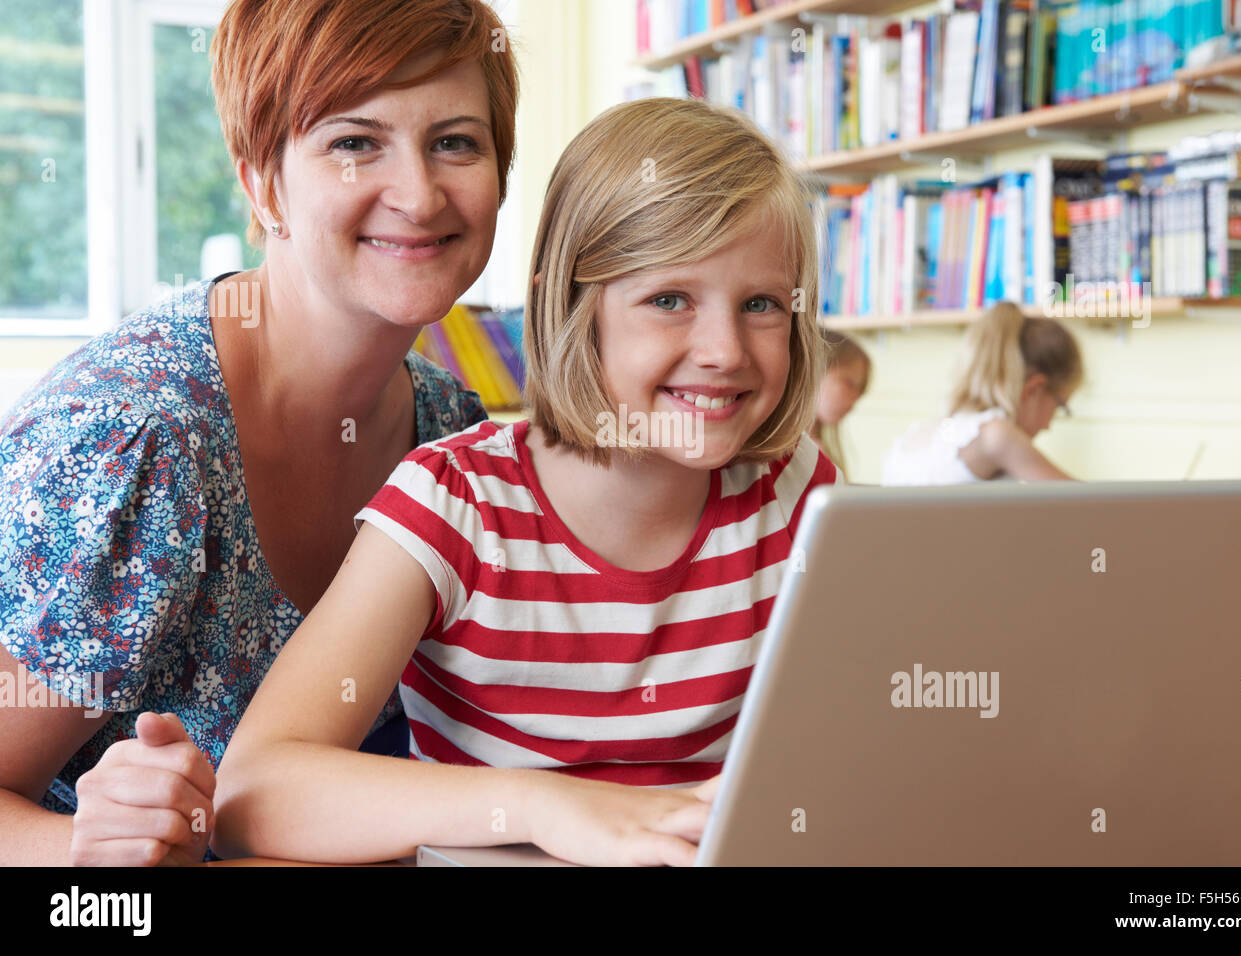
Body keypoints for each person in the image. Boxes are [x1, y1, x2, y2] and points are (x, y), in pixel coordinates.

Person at [212, 97, 841, 867]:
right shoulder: (453, 504)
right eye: (669, 300)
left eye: (762, 305)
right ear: (563, 303)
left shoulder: (799, 495)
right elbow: (255, 791)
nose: (723, 349)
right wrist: (545, 803)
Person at [0, 0, 519, 865]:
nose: (420, 193)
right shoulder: (135, 443)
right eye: (355, 142)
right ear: (261, 181)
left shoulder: (452, 430)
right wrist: (87, 853)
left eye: (456, 143)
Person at [880, 302, 1082, 485]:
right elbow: (1091, 507)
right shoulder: (996, 436)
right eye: (1059, 406)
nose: (1048, 426)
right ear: (1034, 389)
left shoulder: (916, 435)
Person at [811, 330, 871, 476]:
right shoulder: (796, 457)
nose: (857, 397)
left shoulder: (818, 452)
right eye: (849, 384)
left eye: (860, 390)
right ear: (811, 372)